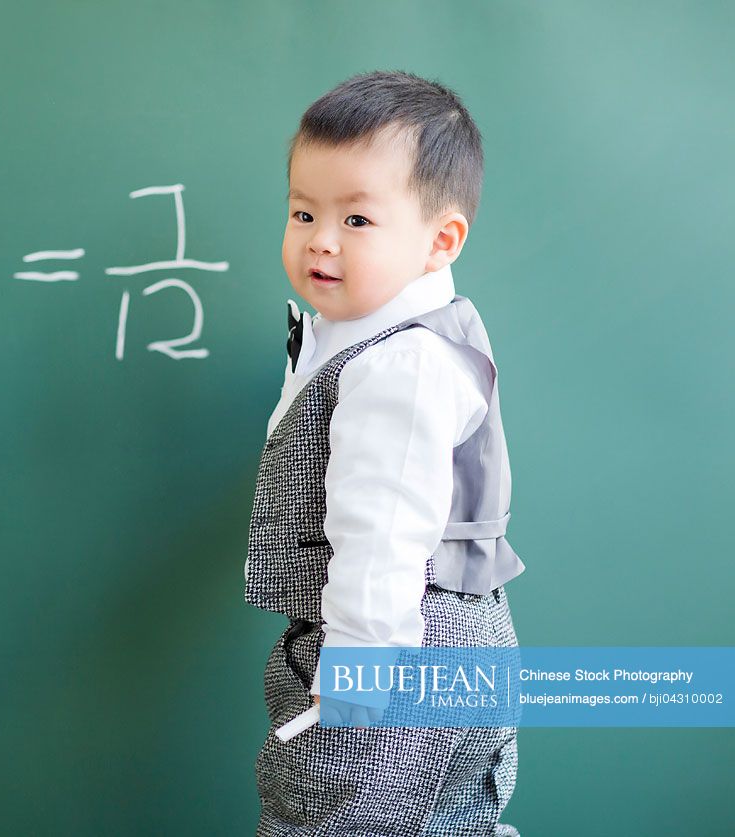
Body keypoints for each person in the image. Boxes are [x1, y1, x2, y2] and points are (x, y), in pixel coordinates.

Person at [244, 70, 526, 835]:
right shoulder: (394, 334)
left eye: (357, 219)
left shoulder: (396, 364)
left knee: (333, 819)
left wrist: (361, 663)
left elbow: (383, 528)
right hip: (450, 638)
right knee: (444, 822)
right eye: (302, 212)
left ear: (440, 241)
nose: (319, 238)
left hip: (396, 645)